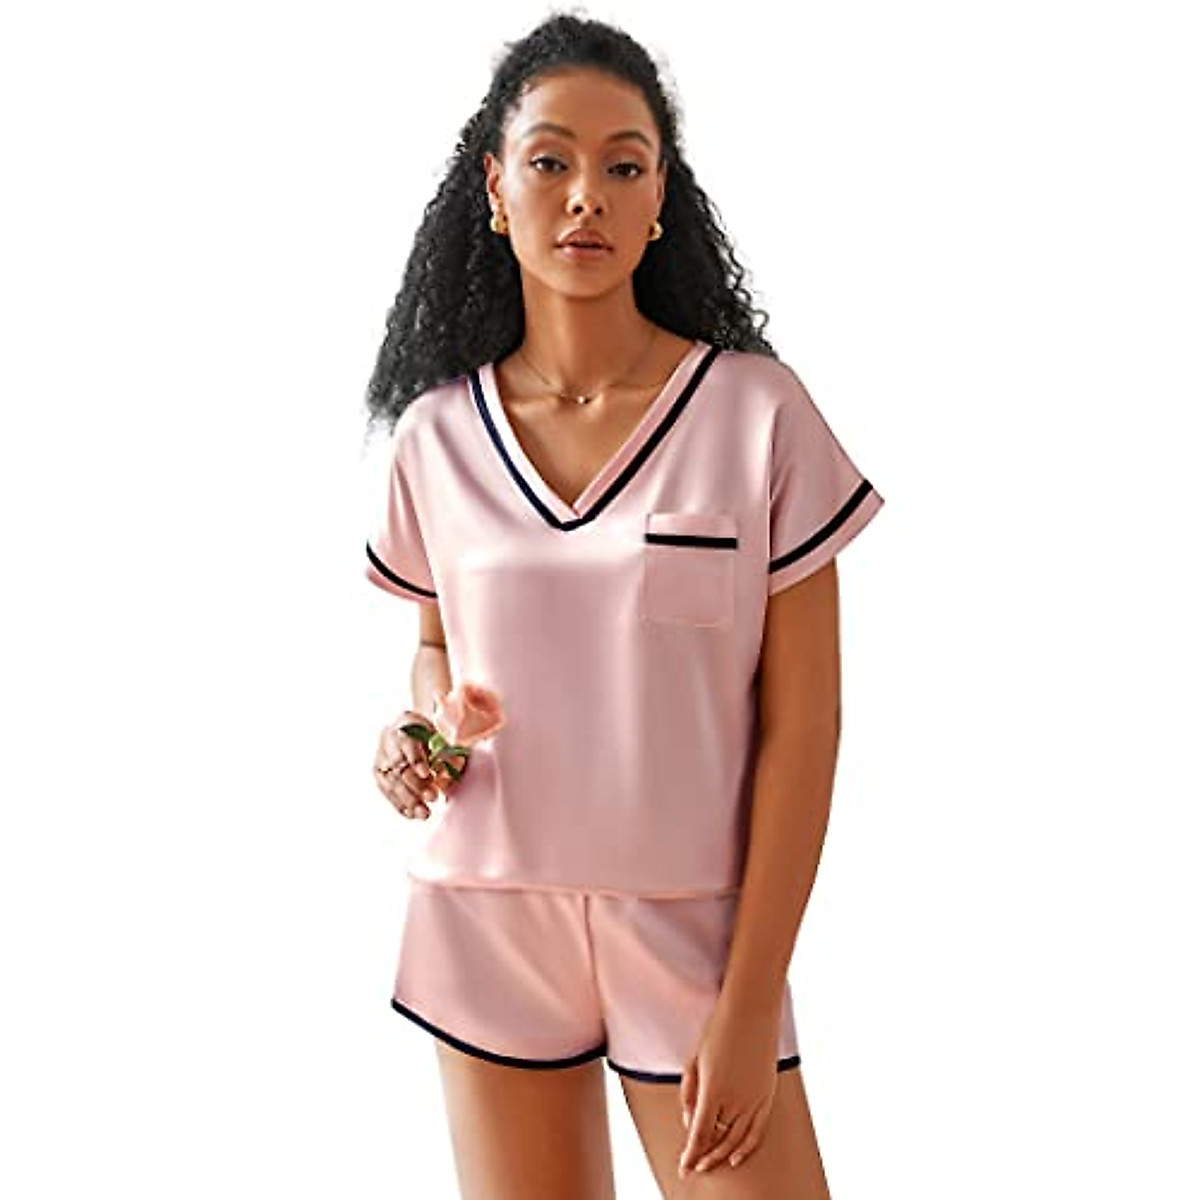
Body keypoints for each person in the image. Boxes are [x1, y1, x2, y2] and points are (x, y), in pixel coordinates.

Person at [360, 13, 884, 1198]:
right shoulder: (437, 437)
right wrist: (422, 732)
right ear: (496, 190)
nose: (585, 195)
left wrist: (750, 1001)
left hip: (696, 927)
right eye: (550, 161)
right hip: (488, 913)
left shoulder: (758, 416)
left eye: (624, 165)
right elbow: (438, 646)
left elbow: (805, 728)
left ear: (660, 201)